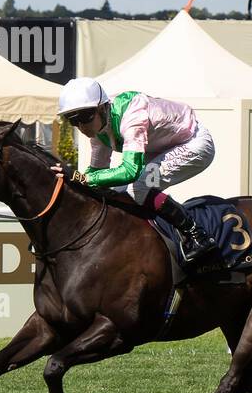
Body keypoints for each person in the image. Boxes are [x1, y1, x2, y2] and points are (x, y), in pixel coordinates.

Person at [54, 77, 217, 264]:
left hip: (193, 143)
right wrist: (74, 182)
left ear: (101, 108)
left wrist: (81, 178)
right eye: (73, 121)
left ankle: (197, 234)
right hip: (162, 147)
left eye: (84, 118)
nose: (82, 127)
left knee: (140, 186)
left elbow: (130, 171)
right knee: (117, 191)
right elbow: (96, 172)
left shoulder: (132, 117)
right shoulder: (100, 126)